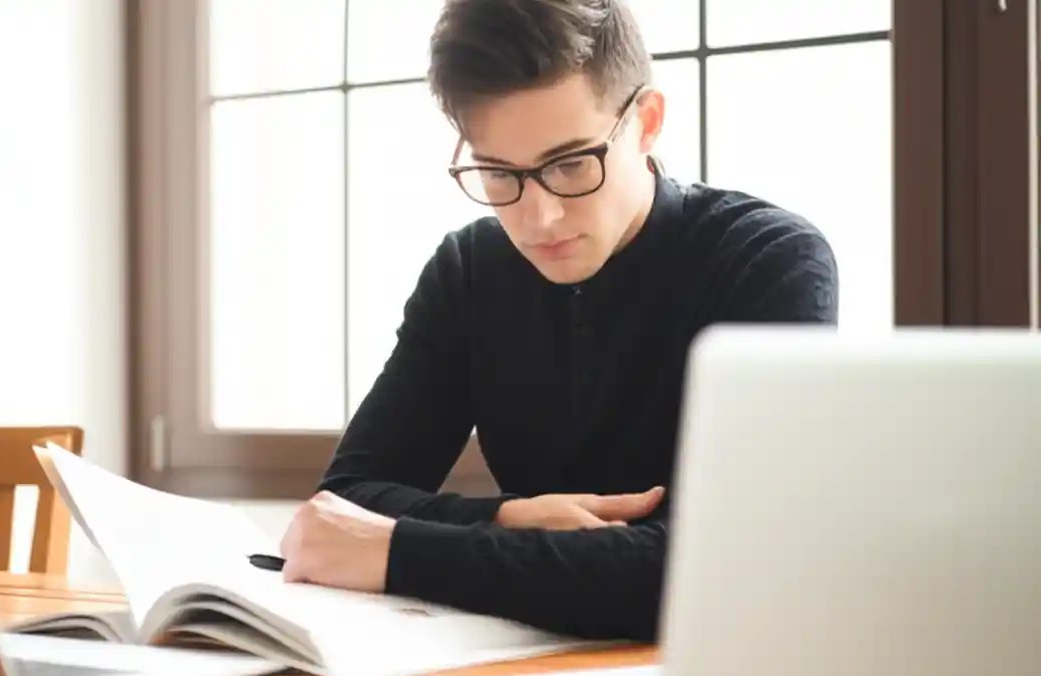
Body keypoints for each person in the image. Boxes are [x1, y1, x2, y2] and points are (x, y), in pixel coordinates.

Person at [277, 0, 838, 641]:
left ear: (647, 122)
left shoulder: (768, 261)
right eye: (498, 173)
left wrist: (398, 552)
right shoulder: (468, 271)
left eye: (571, 164)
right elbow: (348, 502)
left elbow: (715, 571)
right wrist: (512, 518)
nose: (539, 217)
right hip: (519, 672)